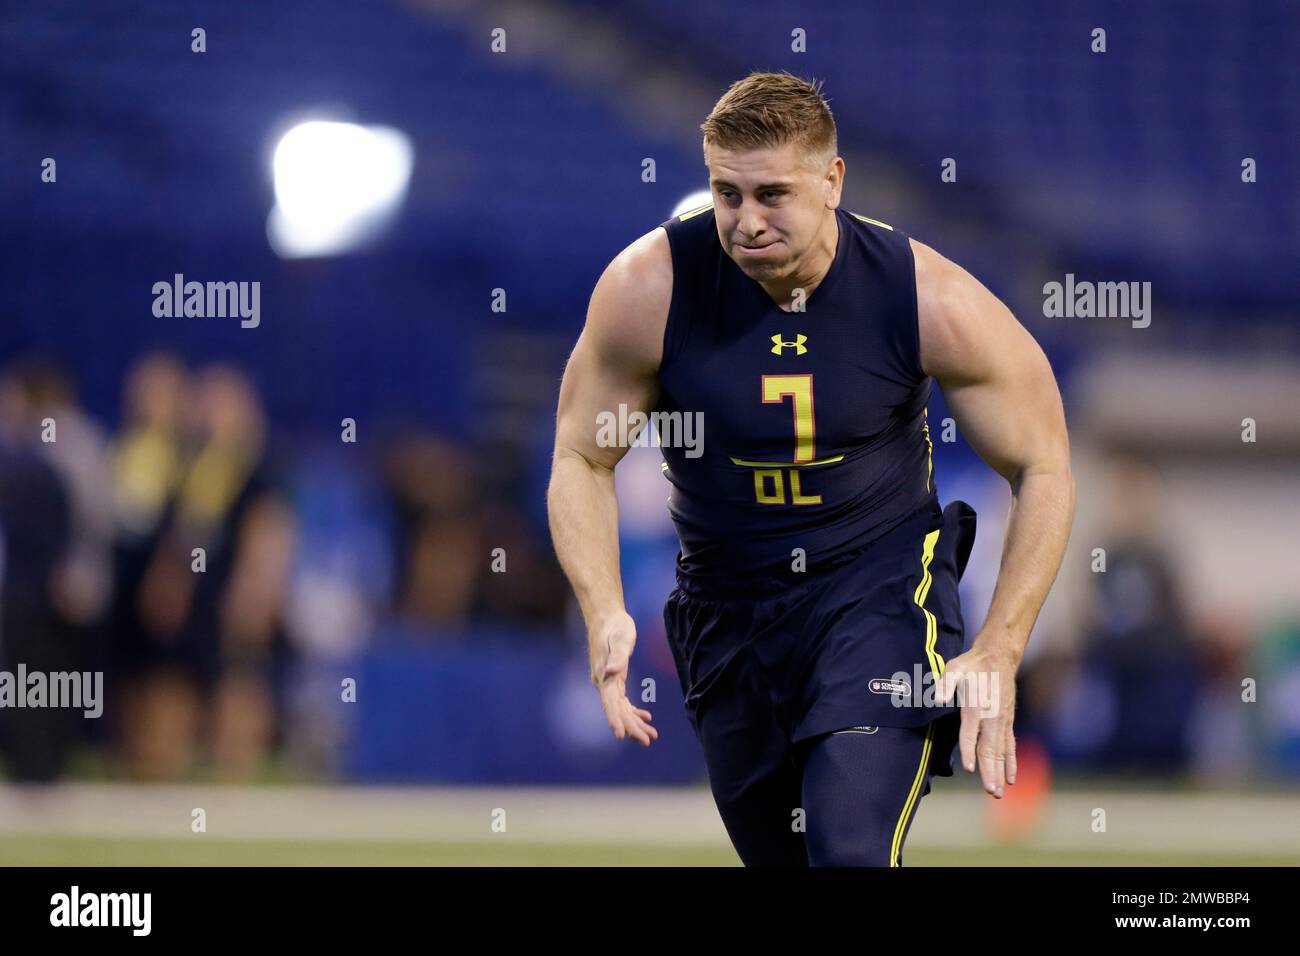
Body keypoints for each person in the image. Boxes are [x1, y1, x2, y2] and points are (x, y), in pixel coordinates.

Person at [547, 71, 1075, 865]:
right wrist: (603, 606)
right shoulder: (648, 288)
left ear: (833, 182)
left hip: (876, 595)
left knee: (849, 848)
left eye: (772, 195)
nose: (746, 221)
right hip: (728, 608)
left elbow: (1044, 466)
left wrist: (1000, 646)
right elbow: (582, 455)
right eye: (727, 195)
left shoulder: (923, 296)